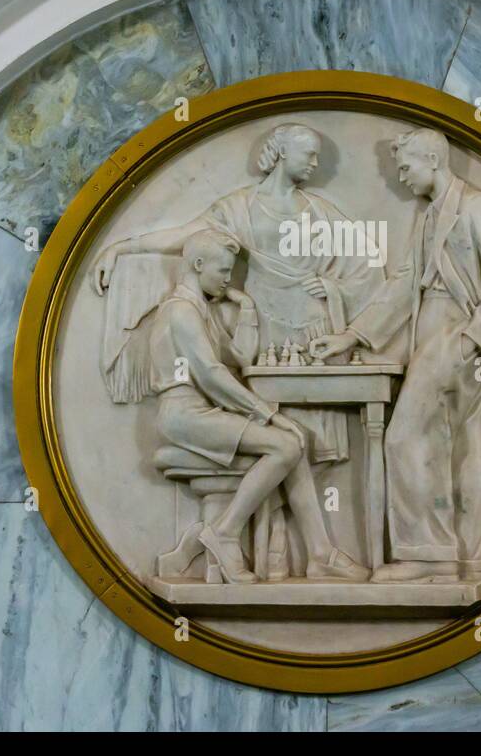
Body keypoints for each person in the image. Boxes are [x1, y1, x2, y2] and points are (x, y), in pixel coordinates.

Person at [311, 129, 481, 584]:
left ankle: (429, 555)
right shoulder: (433, 214)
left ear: (432, 158)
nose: (402, 177)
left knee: (404, 438)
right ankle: (470, 559)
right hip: (438, 338)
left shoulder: (473, 206)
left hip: (454, 338)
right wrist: (352, 335)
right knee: (460, 443)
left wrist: (473, 339)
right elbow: (406, 281)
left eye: (406, 167)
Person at [95, 123, 382, 465]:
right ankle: (266, 518)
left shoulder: (321, 212)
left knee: (312, 447)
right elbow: (185, 236)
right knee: (271, 437)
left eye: (318, 155)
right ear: (283, 153)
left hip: (312, 330)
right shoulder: (238, 208)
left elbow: (370, 265)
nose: (315, 163)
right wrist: (123, 248)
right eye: (309, 153)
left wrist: (335, 288)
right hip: (263, 329)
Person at [149, 229, 369, 584]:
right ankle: (225, 532)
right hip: (183, 414)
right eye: (223, 271)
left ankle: (319, 554)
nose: (227, 280)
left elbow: (238, 356)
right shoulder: (181, 312)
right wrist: (269, 414)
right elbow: (211, 375)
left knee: (293, 445)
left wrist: (247, 308)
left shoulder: (200, 310)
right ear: (198, 264)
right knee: (285, 442)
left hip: (202, 412)